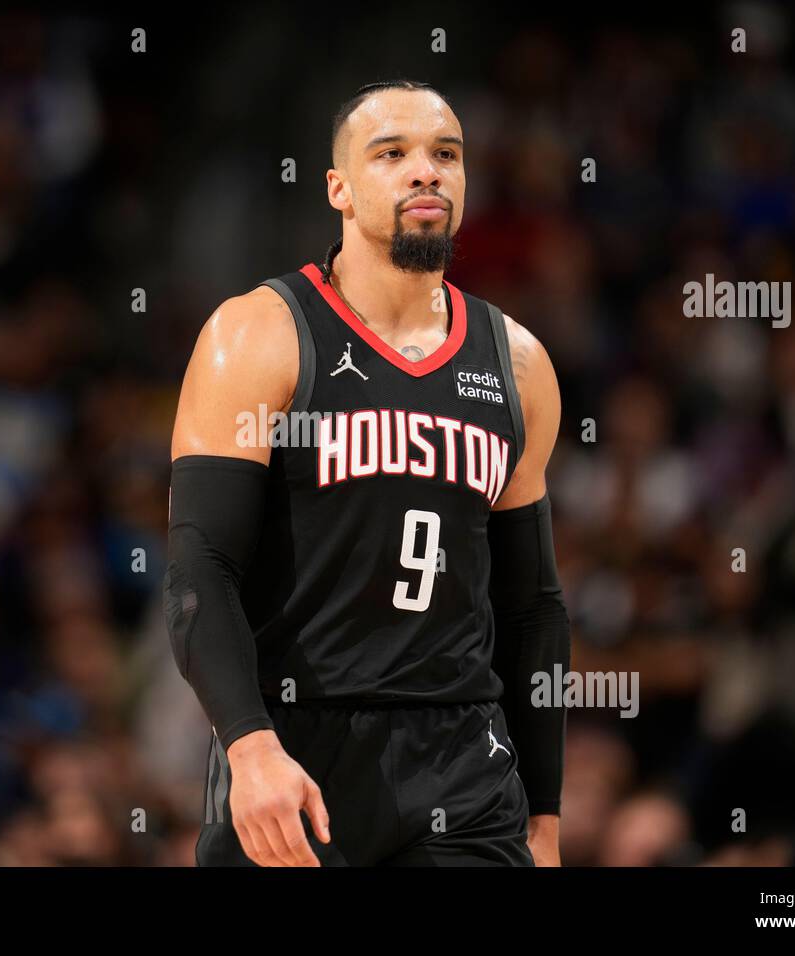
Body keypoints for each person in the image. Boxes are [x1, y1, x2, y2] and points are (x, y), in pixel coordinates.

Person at [165, 80, 570, 866]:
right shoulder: (259, 334)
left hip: (464, 763)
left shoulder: (518, 363)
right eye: (393, 154)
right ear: (339, 189)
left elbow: (533, 609)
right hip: (296, 750)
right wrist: (249, 750)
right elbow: (199, 571)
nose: (427, 171)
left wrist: (545, 823)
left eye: (446, 155)